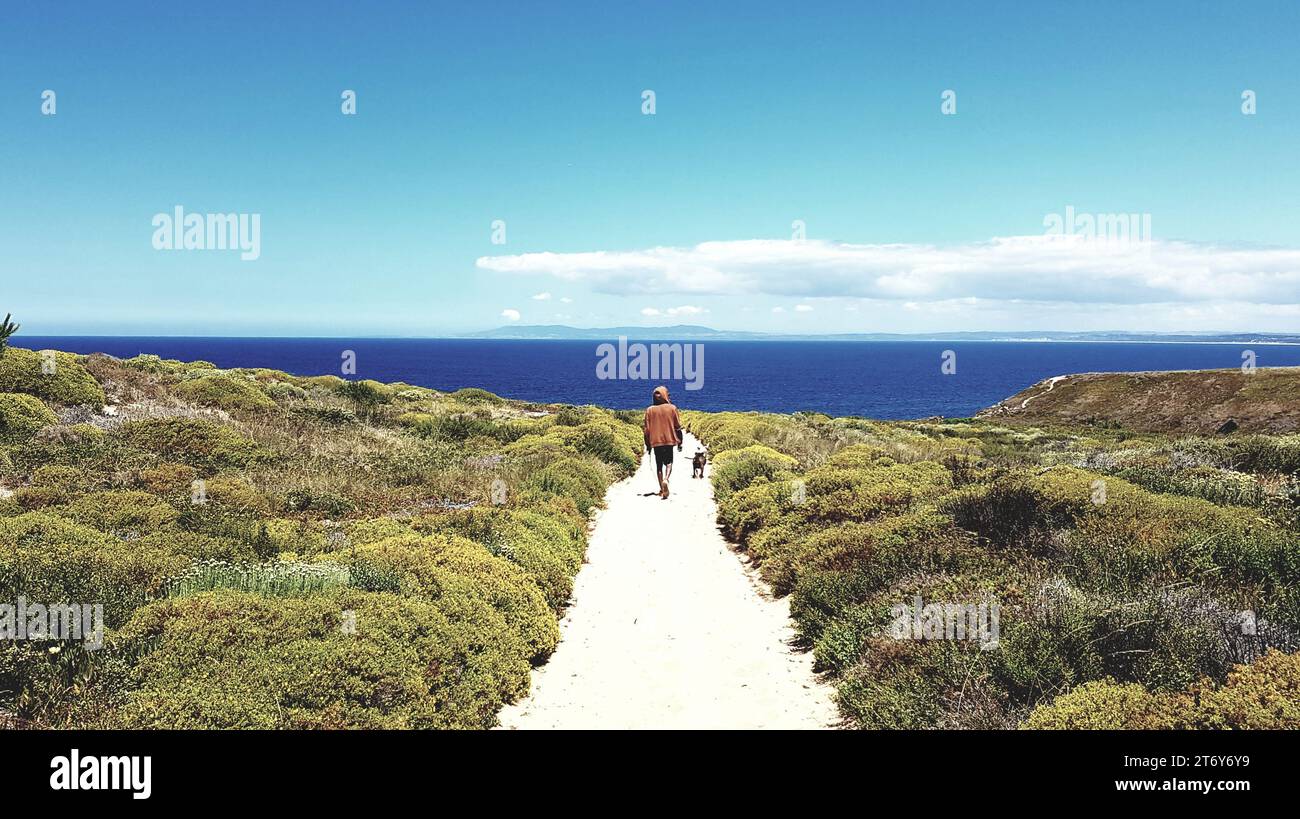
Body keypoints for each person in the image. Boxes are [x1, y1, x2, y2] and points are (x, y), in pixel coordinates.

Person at [643, 385, 683, 499]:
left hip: (656, 441)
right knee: (669, 462)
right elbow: (677, 427)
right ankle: (666, 479)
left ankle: (661, 488)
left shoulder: (649, 410)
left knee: (659, 465)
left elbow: (647, 430)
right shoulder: (672, 408)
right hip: (669, 440)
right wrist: (680, 441)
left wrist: (648, 445)